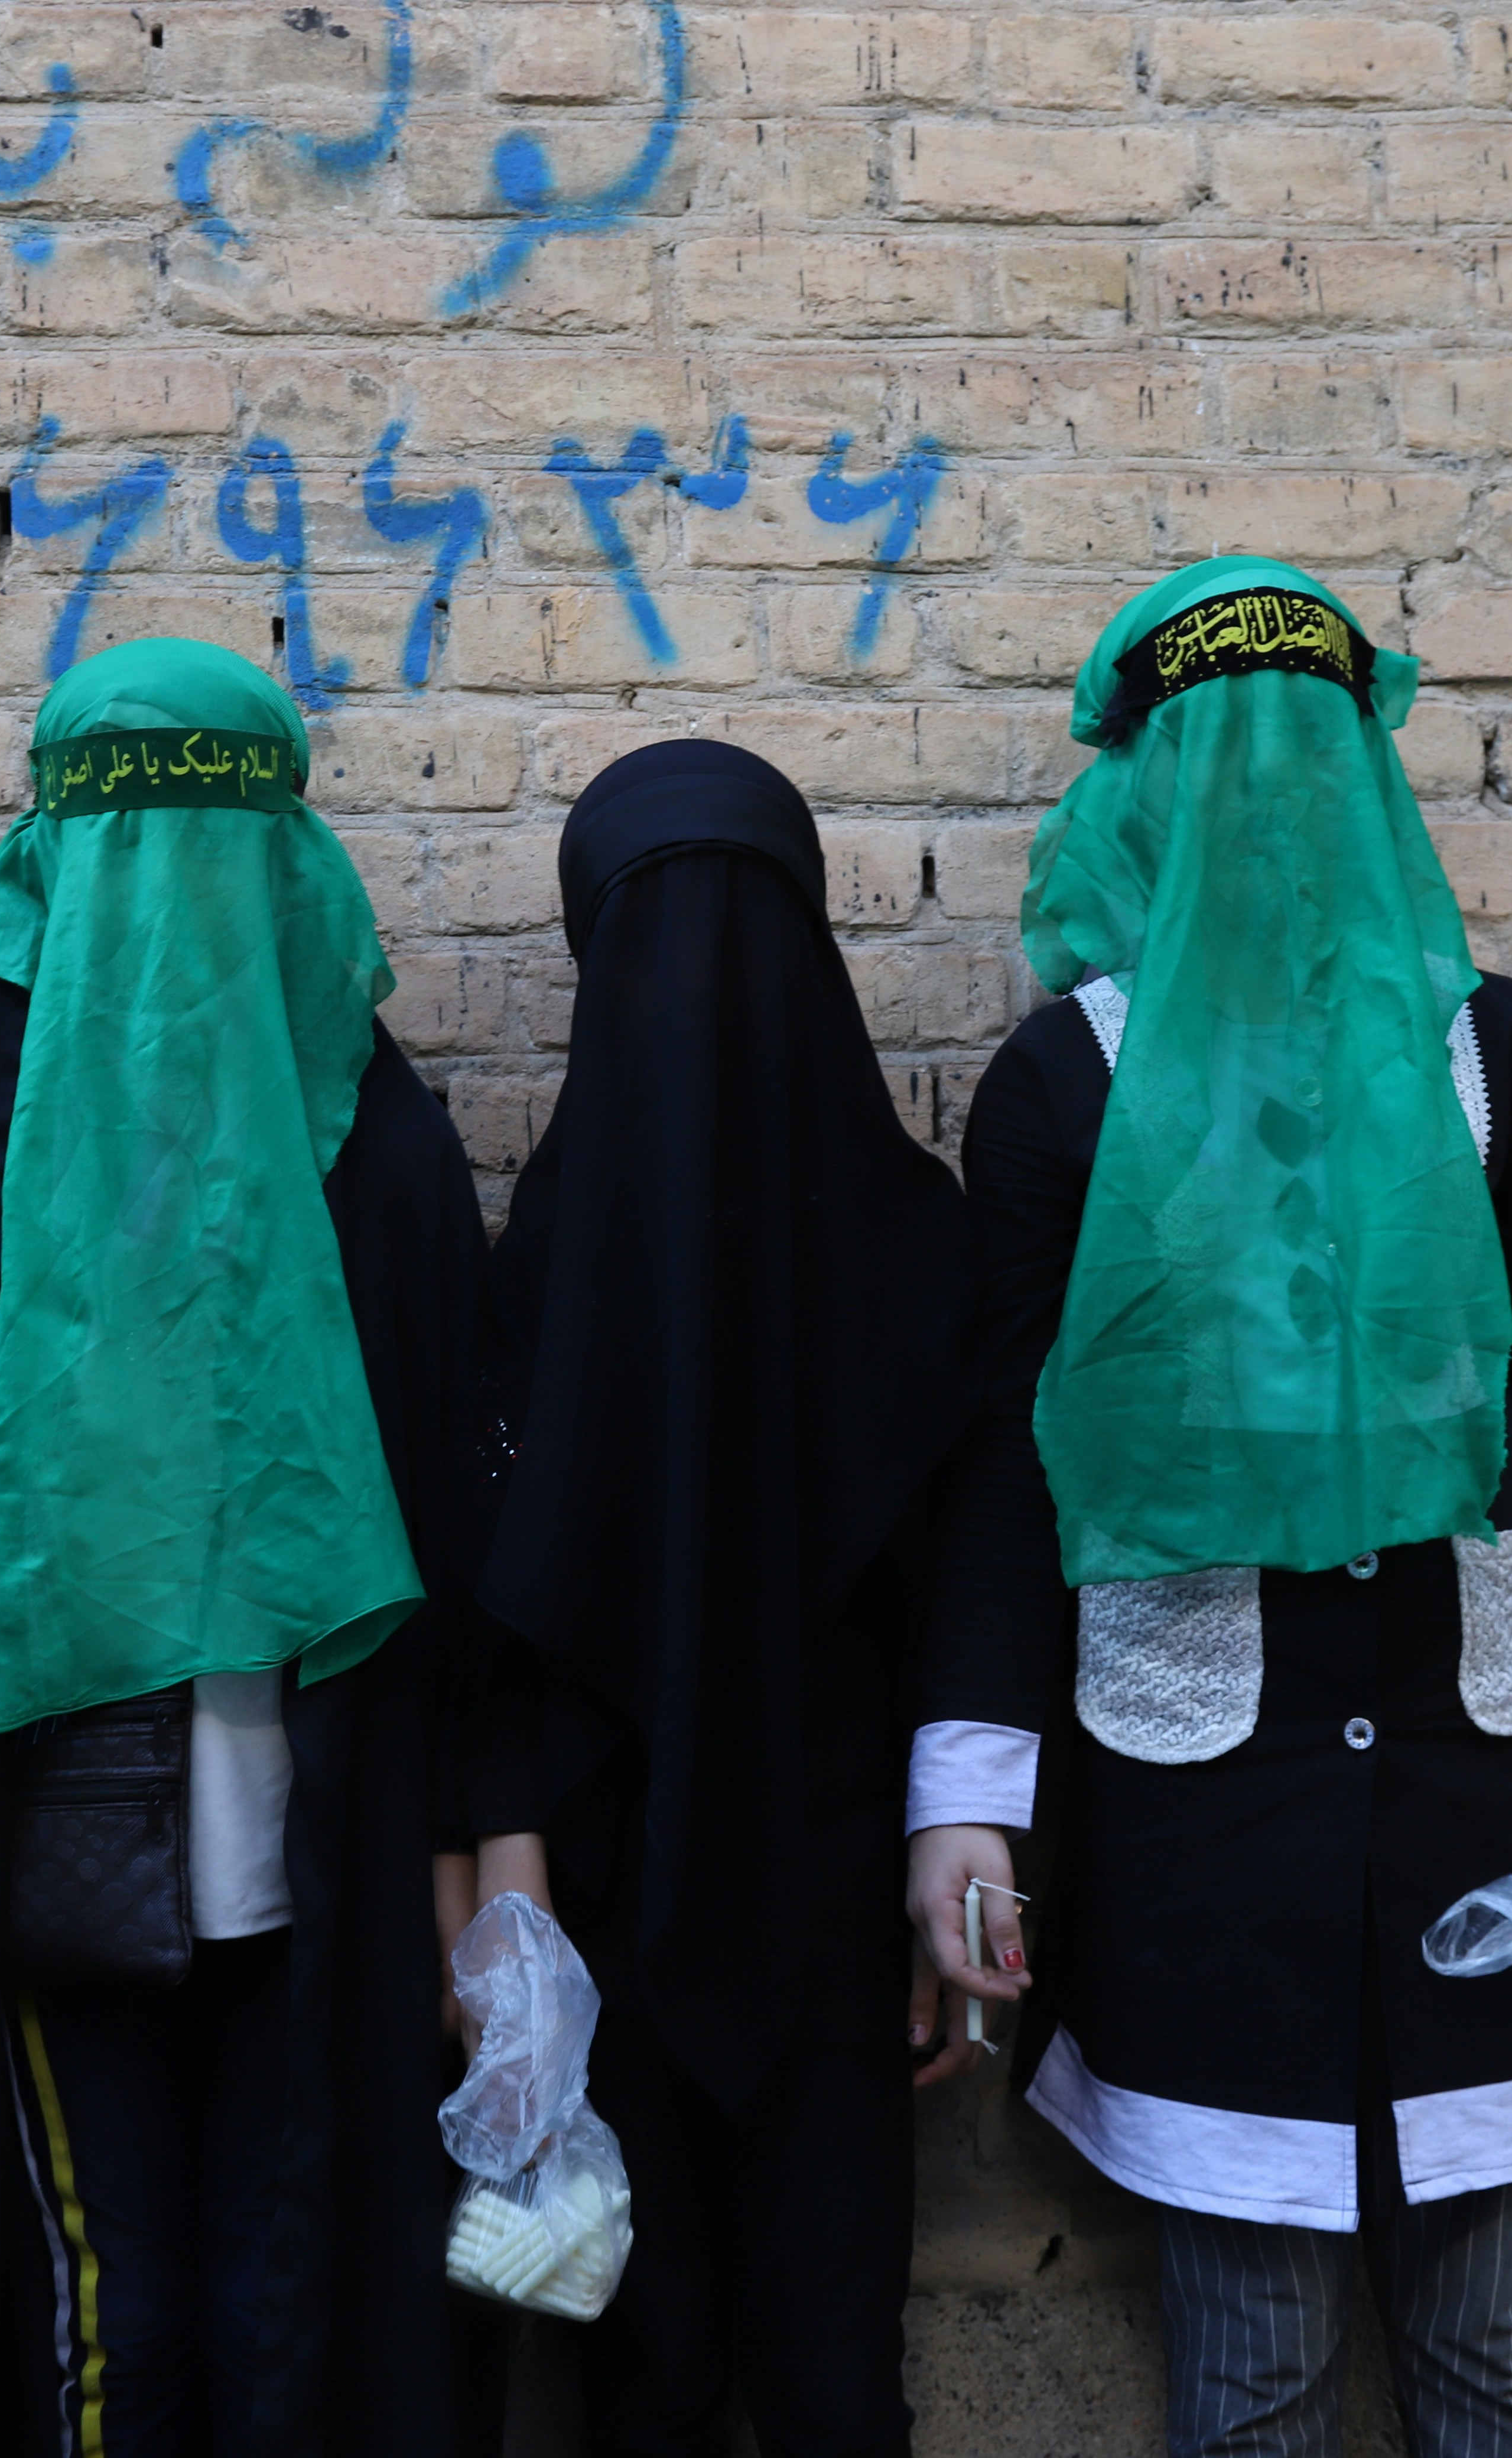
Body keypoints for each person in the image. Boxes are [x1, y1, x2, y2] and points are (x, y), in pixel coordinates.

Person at [908, 560, 1512, 2458]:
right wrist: (968, 1800)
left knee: (1502, 2368)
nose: (1266, 798)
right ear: (1144, 788)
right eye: (1217, 755)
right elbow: (1019, 1459)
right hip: (1197, 1821)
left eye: (1309, 753)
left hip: (1472, 1779)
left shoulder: (1484, 1050)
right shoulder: (1066, 1082)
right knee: (1247, 2385)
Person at [0, 638, 492, 2458]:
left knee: (299, 2269)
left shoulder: (380, 1150)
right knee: (120, 2293)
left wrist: (471, 1850)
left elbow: (457, 1504)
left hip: (323, 1819)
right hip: (54, 1821)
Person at [462, 740, 978, 2458]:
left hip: (842, 1928)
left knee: (826, 2383)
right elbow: (494, 1616)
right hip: (616, 1938)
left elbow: (971, 1588)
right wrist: (516, 1925)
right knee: (649, 2372)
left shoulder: (917, 1257)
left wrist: (944, 1878)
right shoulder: (533, 1281)